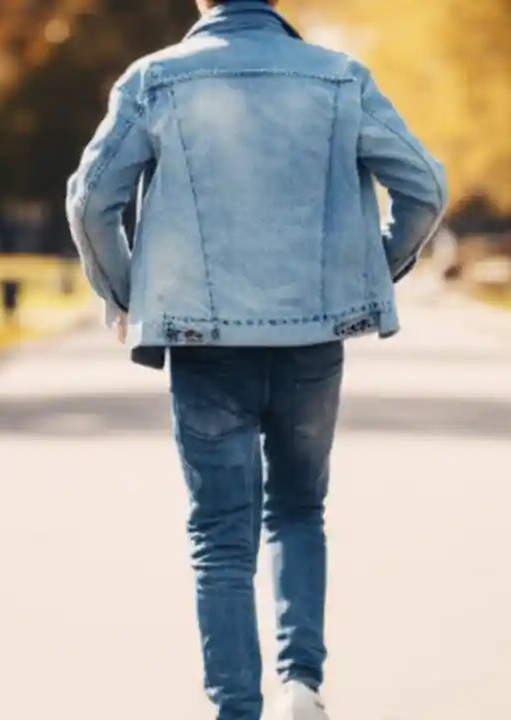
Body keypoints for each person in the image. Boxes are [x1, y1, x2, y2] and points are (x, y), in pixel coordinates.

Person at [65, 2, 447, 718]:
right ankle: (302, 682)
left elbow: (90, 203)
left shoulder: (155, 80)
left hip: (204, 345)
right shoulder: (341, 78)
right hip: (311, 338)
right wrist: (373, 269)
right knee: (300, 508)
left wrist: (125, 293)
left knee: (220, 535)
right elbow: (425, 187)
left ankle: (236, 709)